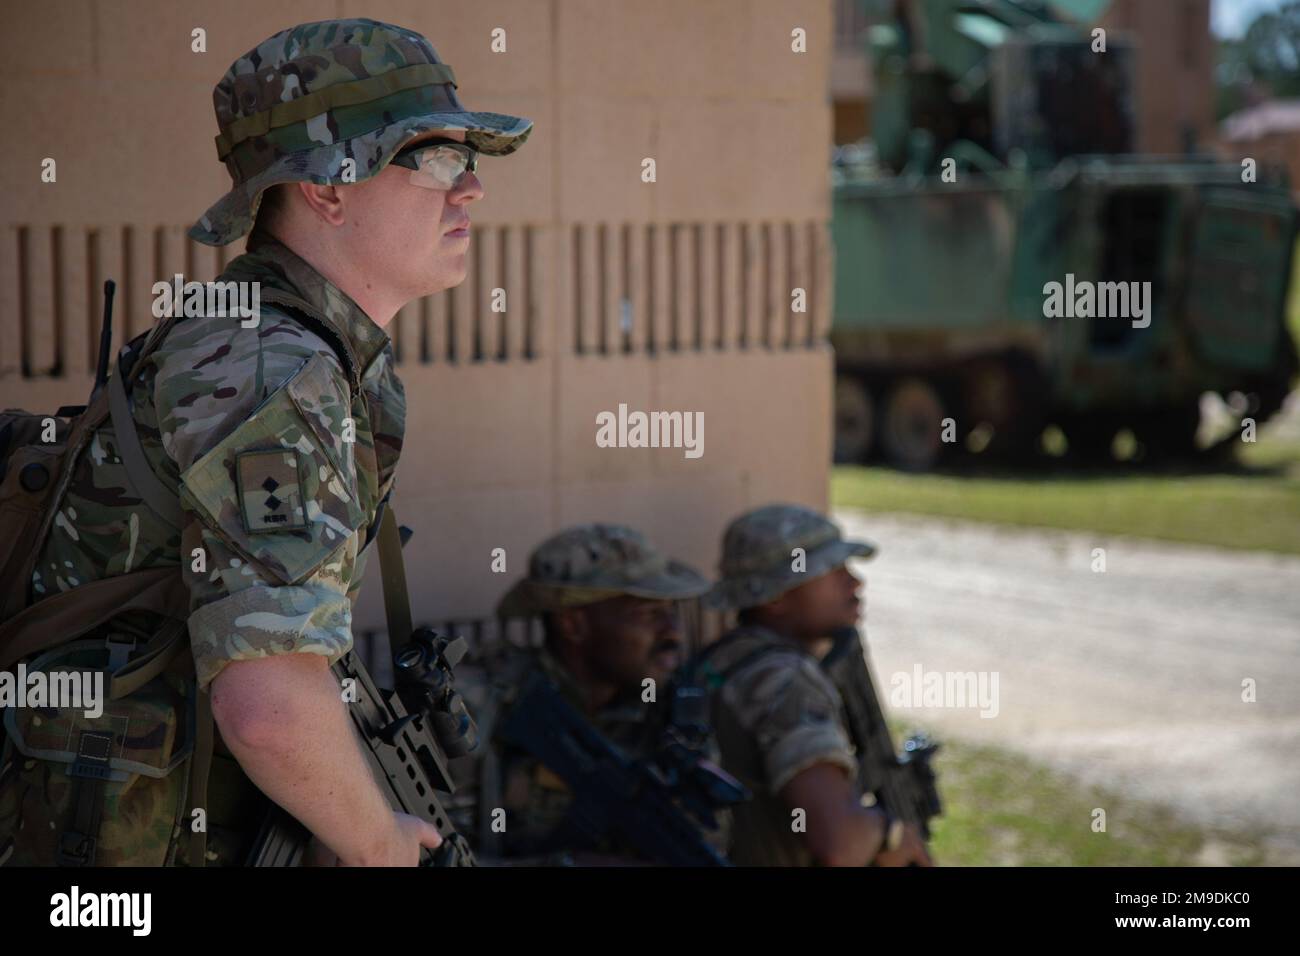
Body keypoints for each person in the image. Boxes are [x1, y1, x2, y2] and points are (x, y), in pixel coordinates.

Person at [0, 18, 530, 867]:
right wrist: (382, 846)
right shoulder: (270, 367)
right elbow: (270, 706)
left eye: (469, 159)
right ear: (327, 189)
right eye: (433, 158)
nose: (469, 188)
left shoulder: (298, 348)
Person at [688, 504, 932, 867]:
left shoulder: (720, 661)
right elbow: (840, 844)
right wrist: (892, 834)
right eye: (832, 570)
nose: (854, 582)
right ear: (774, 597)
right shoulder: (785, 680)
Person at [480, 524, 730, 863]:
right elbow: (425, 850)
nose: (673, 633)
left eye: (671, 613)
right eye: (650, 614)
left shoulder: (676, 718)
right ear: (573, 624)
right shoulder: (487, 705)